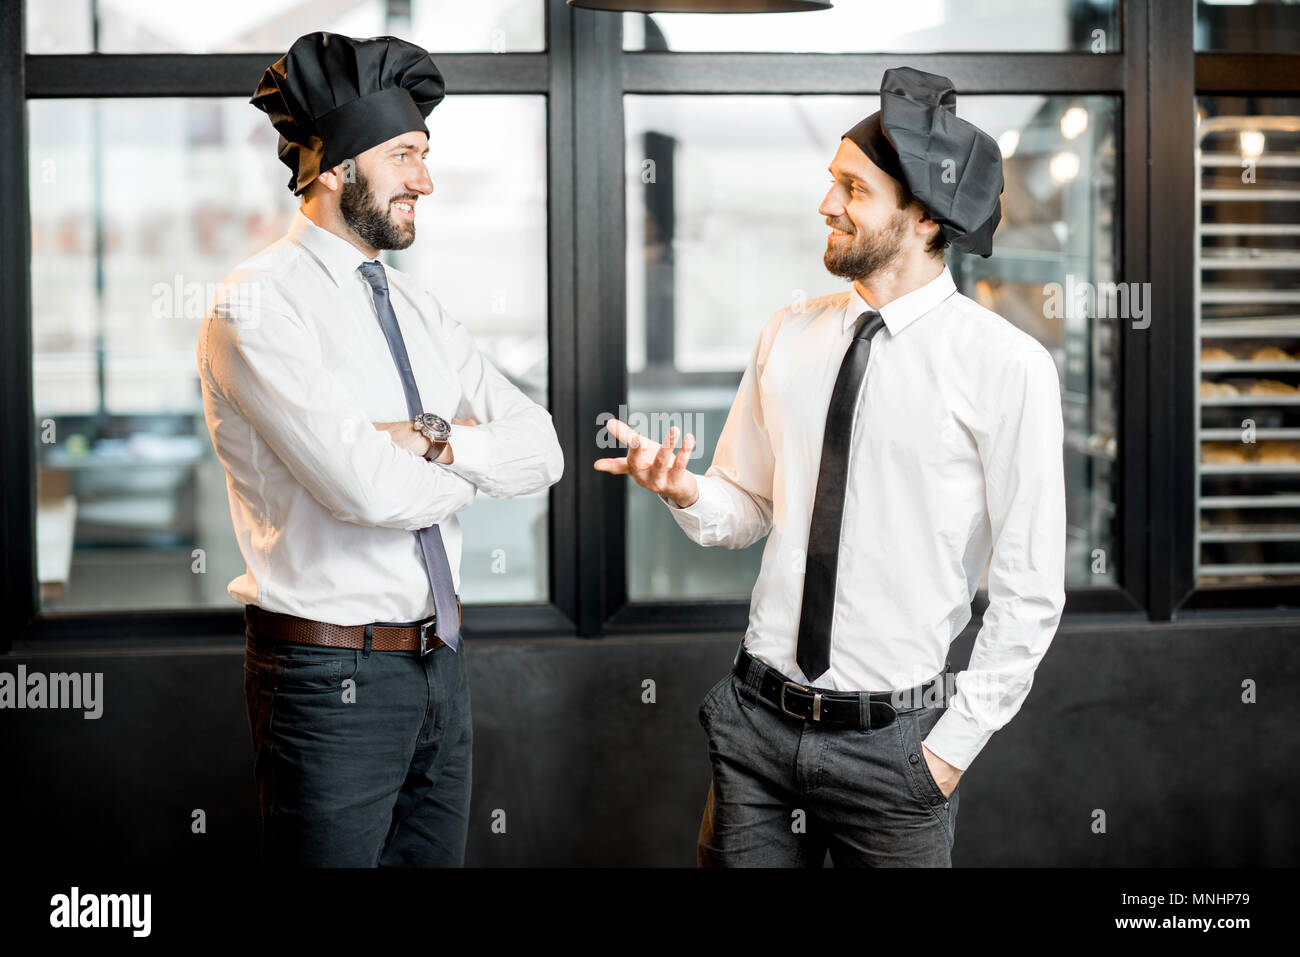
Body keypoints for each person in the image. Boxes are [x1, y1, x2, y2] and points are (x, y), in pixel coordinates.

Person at [594, 66, 1066, 867]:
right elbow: (745, 506)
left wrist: (948, 750)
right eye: (831, 183)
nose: (827, 204)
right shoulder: (789, 333)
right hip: (756, 728)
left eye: (852, 187)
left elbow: (1029, 589)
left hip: (896, 750)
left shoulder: (1006, 366)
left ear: (922, 215)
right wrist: (684, 490)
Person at [197, 32, 564, 867]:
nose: (425, 180)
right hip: (327, 681)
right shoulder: (257, 306)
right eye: (405, 155)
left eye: (424, 155)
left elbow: (542, 450)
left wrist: (426, 441)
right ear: (333, 167)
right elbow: (365, 493)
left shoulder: (418, 306)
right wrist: (469, 461)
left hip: (441, 663)